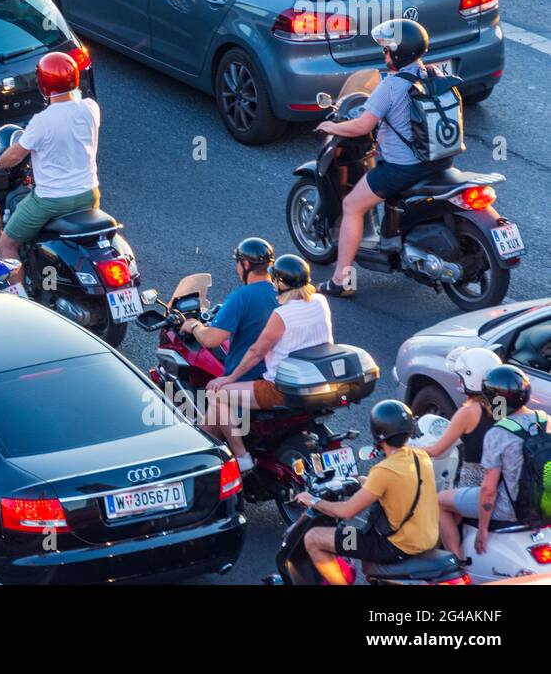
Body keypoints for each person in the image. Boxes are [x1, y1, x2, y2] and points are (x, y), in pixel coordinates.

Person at [316, 19, 453, 298]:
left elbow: (361, 126)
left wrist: (330, 127)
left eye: (388, 50)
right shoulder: (432, 73)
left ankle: (342, 280)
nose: (384, 54)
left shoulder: (390, 87)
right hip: (439, 160)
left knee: (352, 205)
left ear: (397, 54)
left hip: (403, 168)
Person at [0, 51, 99, 293]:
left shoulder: (42, 121)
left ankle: (21, 300)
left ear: (43, 83)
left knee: (5, 244)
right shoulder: (91, 108)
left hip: (51, 200)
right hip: (89, 194)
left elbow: (15, 155)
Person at [205, 254, 331, 472]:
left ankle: (242, 457)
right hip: (317, 382)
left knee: (217, 394)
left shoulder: (282, 314)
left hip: (281, 388)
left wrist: (229, 378)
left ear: (280, 284)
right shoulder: (321, 302)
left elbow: (256, 352)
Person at [296, 400, 439, 585]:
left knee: (313, 538)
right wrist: (361, 481)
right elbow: (393, 485)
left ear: (377, 433)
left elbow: (346, 511)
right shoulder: (420, 456)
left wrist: (312, 500)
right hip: (427, 539)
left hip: (394, 546)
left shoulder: (384, 470)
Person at [438, 364, 549, 559]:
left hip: (509, 507)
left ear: (497, 401)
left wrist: (482, 528)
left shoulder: (498, 433)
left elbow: (488, 490)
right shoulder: (546, 420)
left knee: (439, 501)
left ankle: (456, 564)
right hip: (543, 500)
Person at [181, 238, 279, 443]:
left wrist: (193, 326)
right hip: (278, 378)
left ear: (245, 265)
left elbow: (212, 339)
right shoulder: (281, 294)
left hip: (248, 380)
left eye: (238, 263)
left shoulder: (242, 296)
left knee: (203, 439)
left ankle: (236, 464)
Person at [423, 347, 503, 485]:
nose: (459, 382)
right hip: (499, 477)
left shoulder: (467, 413)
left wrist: (405, 449)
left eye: (461, 378)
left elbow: (436, 451)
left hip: (474, 481)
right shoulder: (501, 403)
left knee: (440, 501)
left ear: (472, 378)